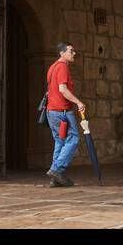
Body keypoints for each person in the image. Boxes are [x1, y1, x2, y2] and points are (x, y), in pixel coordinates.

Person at [45, 41, 86, 187]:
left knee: (60, 142)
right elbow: (62, 89)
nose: (74, 53)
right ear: (62, 53)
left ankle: (55, 179)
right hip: (62, 112)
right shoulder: (62, 67)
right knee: (73, 139)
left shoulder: (52, 68)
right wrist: (78, 102)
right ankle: (56, 170)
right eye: (71, 51)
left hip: (52, 112)